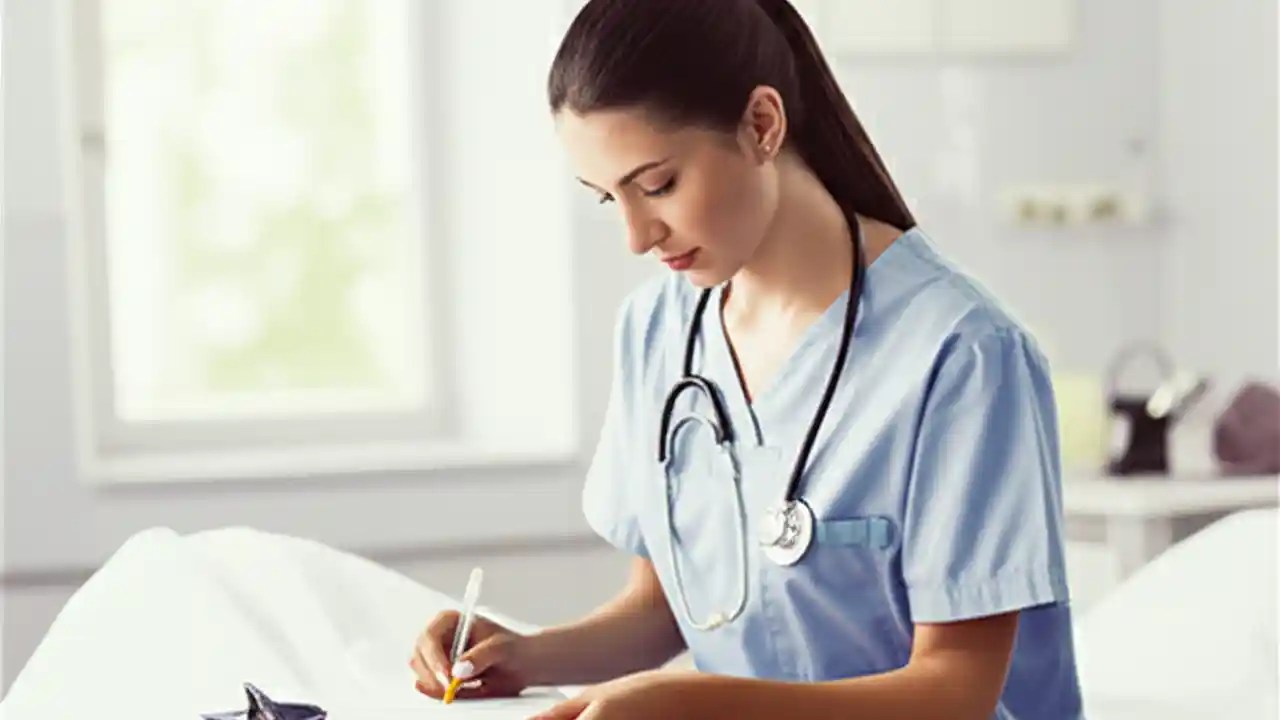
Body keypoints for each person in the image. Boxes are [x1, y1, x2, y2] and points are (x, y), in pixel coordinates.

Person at [410, 0, 1084, 717]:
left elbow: (956, 689)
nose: (637, 237)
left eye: (658, 185)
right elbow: (668, 608)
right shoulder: (658, 330)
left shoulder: (964, 354)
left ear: (762, 125)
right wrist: (523, 655)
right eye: (609, 199)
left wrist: (694, 705)